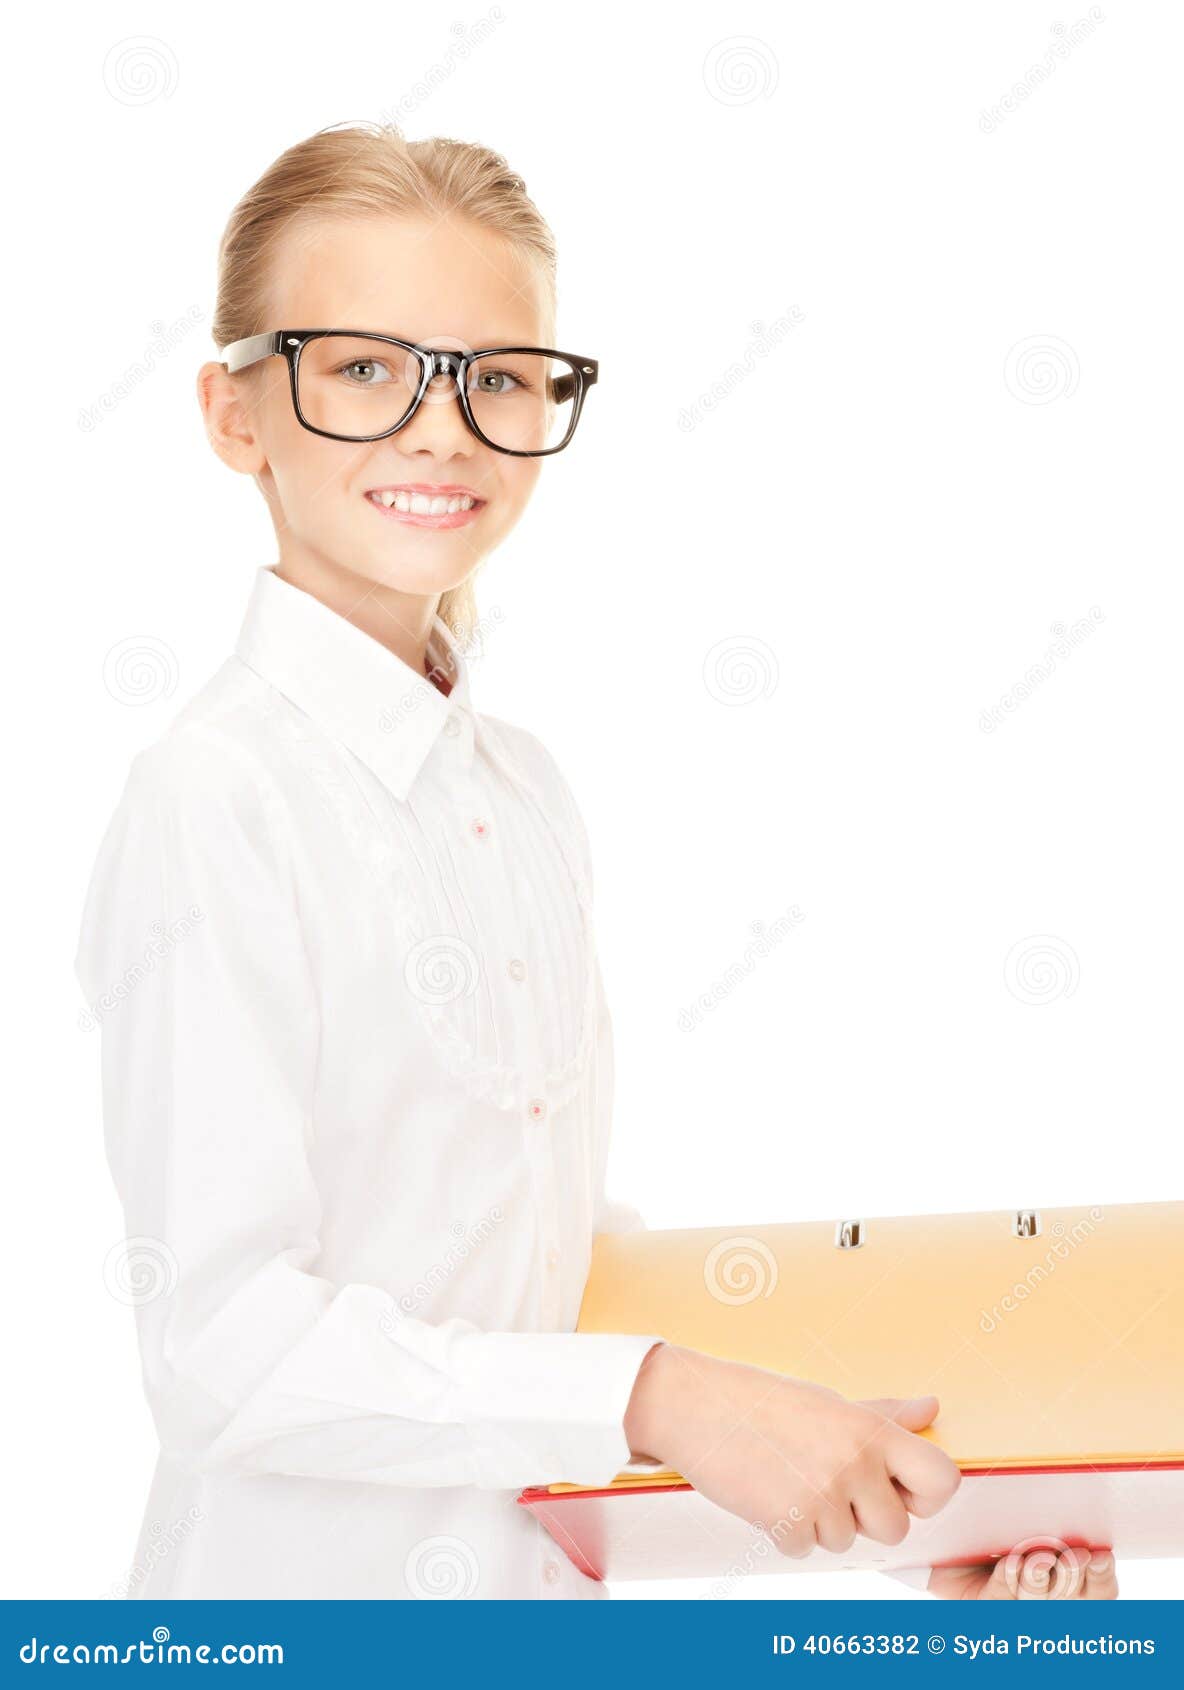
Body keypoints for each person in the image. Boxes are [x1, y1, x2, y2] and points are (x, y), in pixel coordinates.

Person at [74, 122, 1117, 1602]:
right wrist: (659, 1397)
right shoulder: (214, 796)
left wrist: (911, 1517)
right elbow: (222, 1347)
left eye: (497, 376)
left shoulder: (526, 794)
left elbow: (555, 1273)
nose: (442, 429)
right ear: (236, 413)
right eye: (365, 366)